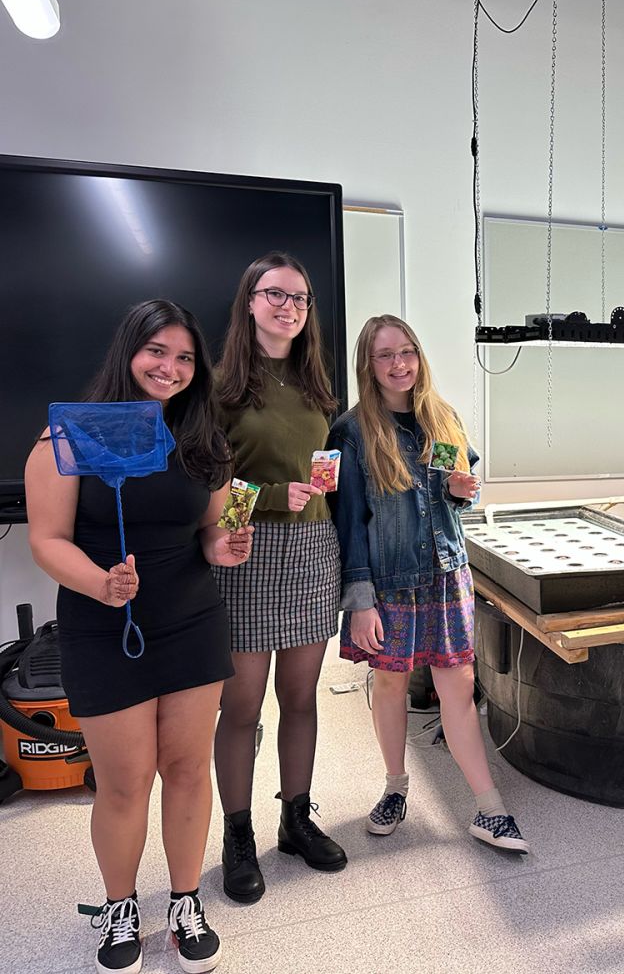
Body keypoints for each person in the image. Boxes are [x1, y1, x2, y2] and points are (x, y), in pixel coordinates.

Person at [25, 300, 251, 974]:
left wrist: (226, 544)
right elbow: (46, 539)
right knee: (124, 783)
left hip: (191, 623)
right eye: (158, 351)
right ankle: (120, 903)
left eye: (185, 357)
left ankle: (185, 900)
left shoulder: (206, 438)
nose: (172, 368)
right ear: (129, 352)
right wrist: (101, 583)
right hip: (104, 626)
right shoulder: (61, 439)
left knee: (186, 770)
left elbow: (212, 530)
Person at [328, 314, 529, 853]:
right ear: (367, 367)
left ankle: (489, 808)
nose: (399, 365)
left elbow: (463, 493)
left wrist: (466, 490)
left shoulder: (443, 418)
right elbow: (349, 526)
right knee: (390, 685)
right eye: (385, 355)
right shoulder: (351, 432)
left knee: (457, 691)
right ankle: (396, 786)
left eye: (407, 352)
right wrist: (360, 602)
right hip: (388, 582)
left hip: (445, 574)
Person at [211, 252, 345, 904]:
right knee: (240, 707)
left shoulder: (319, 386)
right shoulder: (219, 389)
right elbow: (208, 493)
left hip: (316, 553)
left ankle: (295, 819)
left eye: (300, 298)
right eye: (275, 294)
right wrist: (266, 497)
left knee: (301, 698)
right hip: (247, 554)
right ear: (249, 301)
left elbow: (325, 471)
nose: (289, 307)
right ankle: (238, 837)